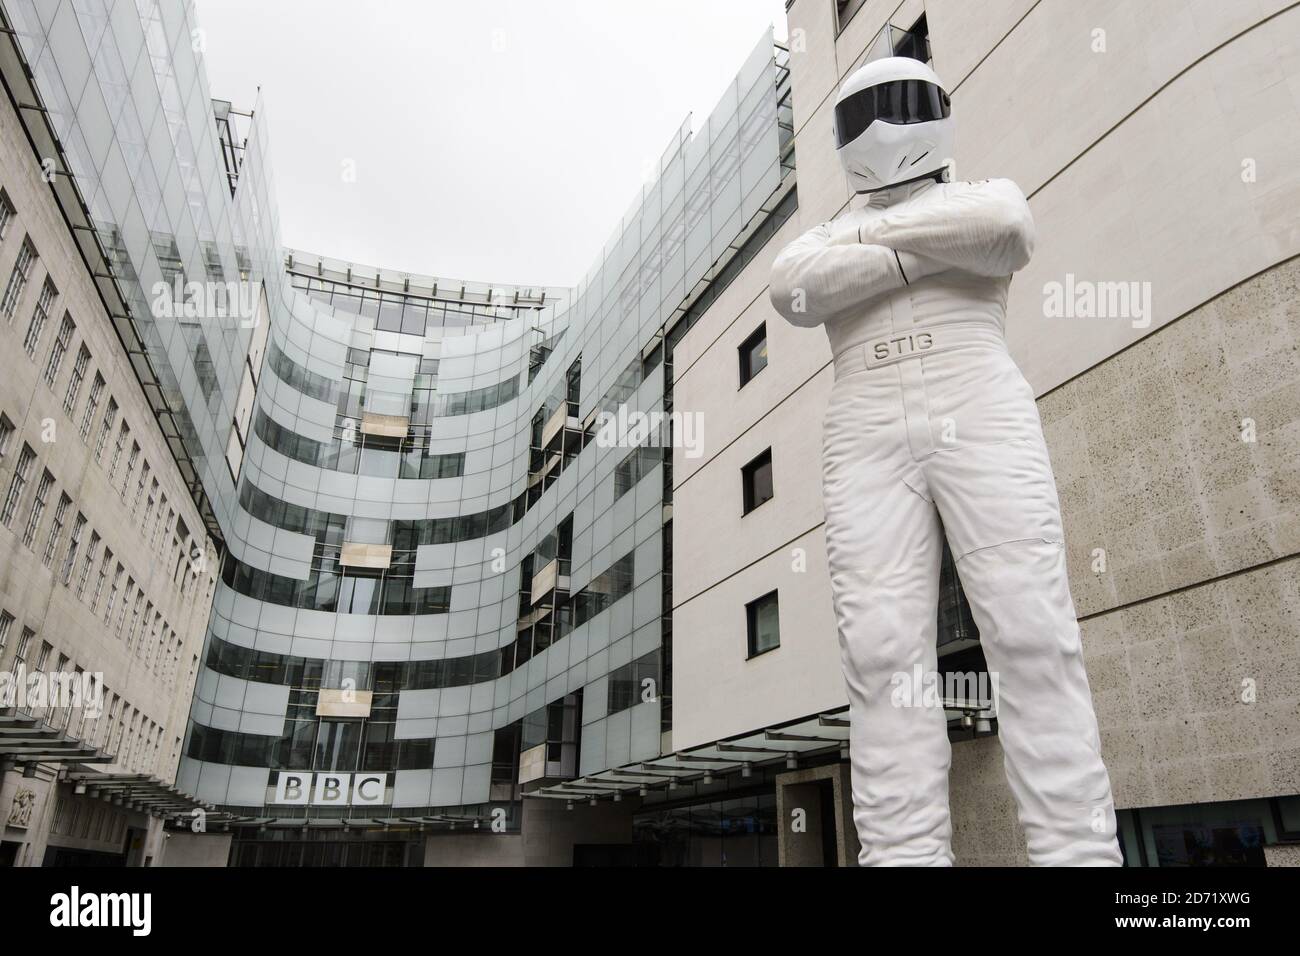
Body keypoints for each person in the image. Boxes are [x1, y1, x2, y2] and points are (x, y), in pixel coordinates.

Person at [768, 55, 1122, 867]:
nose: (880, 128)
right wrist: (931, 249)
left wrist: (864, 244)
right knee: (881, 655)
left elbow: (1005, 233)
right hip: (863, 426)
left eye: (895, 106)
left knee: (1033, 629)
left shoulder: (979, 198)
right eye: (862, 114)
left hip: (979, 400)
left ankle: (1080, 856)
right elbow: (793, 292)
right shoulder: (837, 237)